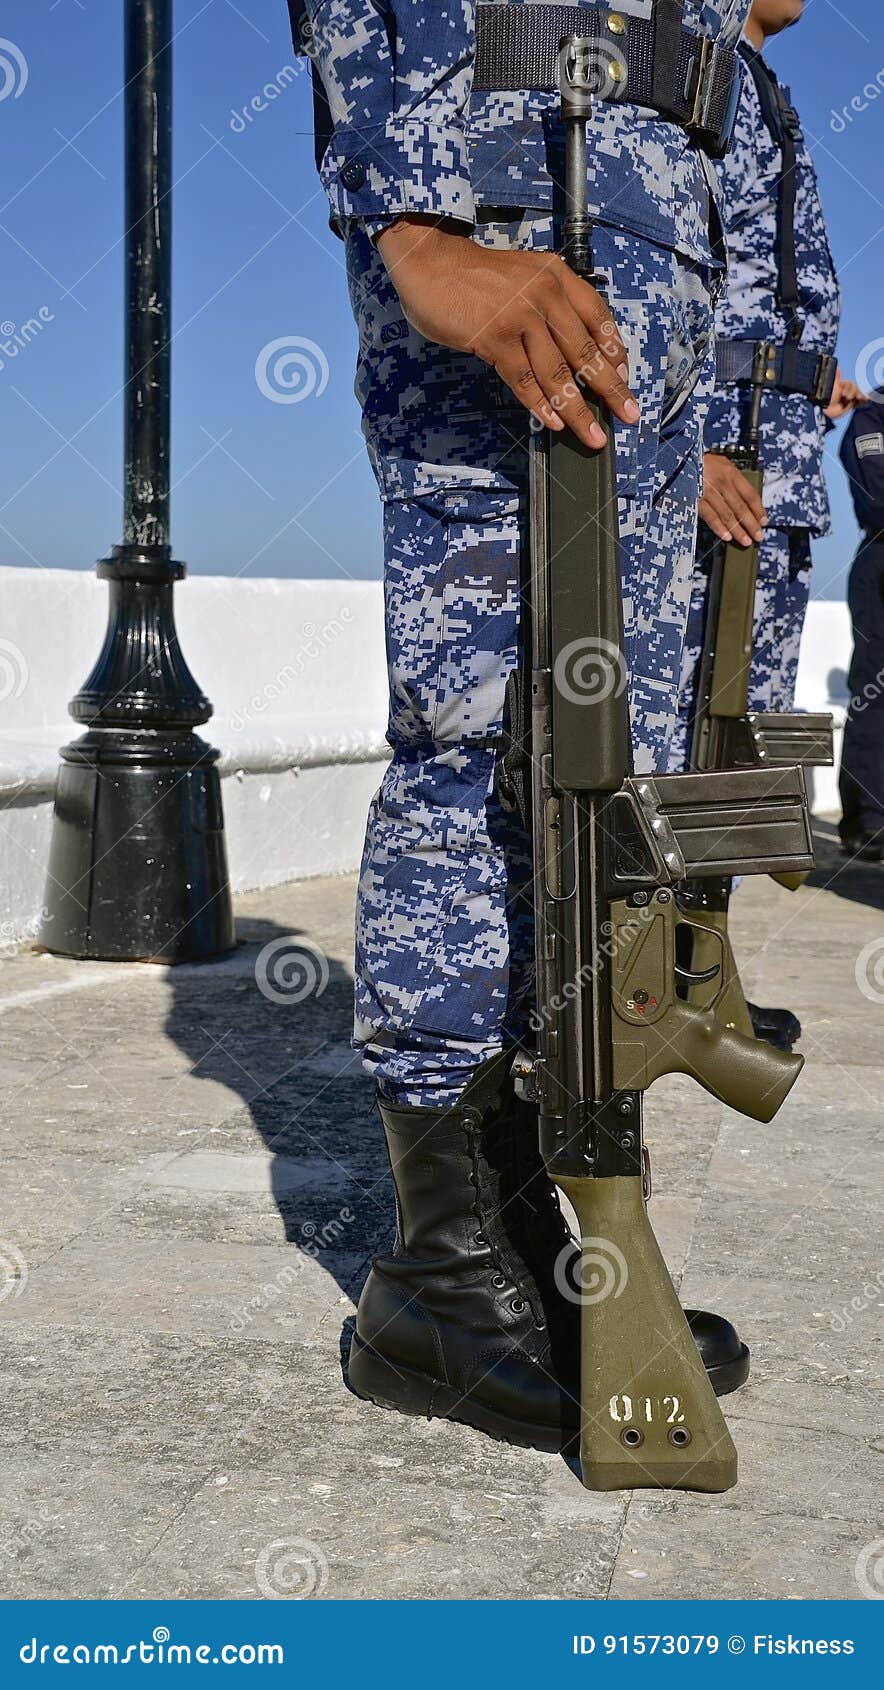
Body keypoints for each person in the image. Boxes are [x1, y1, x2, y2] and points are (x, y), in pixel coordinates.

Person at [290, 0, 754, 1454]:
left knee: (607, 769)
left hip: (646, 232)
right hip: (513, 200)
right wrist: (413, 218)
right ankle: (442, 1266)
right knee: (485, 742)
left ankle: (521, 1204)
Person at [670, 0, 862, 1048]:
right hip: (727, 462)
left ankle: (699, 971)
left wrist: (810, 378)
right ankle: (660, 988)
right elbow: (652, 271)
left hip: (775, 462)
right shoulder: (693, 69)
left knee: (741, 739)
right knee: (695, 738)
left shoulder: (755, 84)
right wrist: (683, 446)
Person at [838, 393, 884, 860]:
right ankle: (868, 821)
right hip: (881, 561)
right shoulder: (874, 414)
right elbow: (875, 493)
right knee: (874, 690)